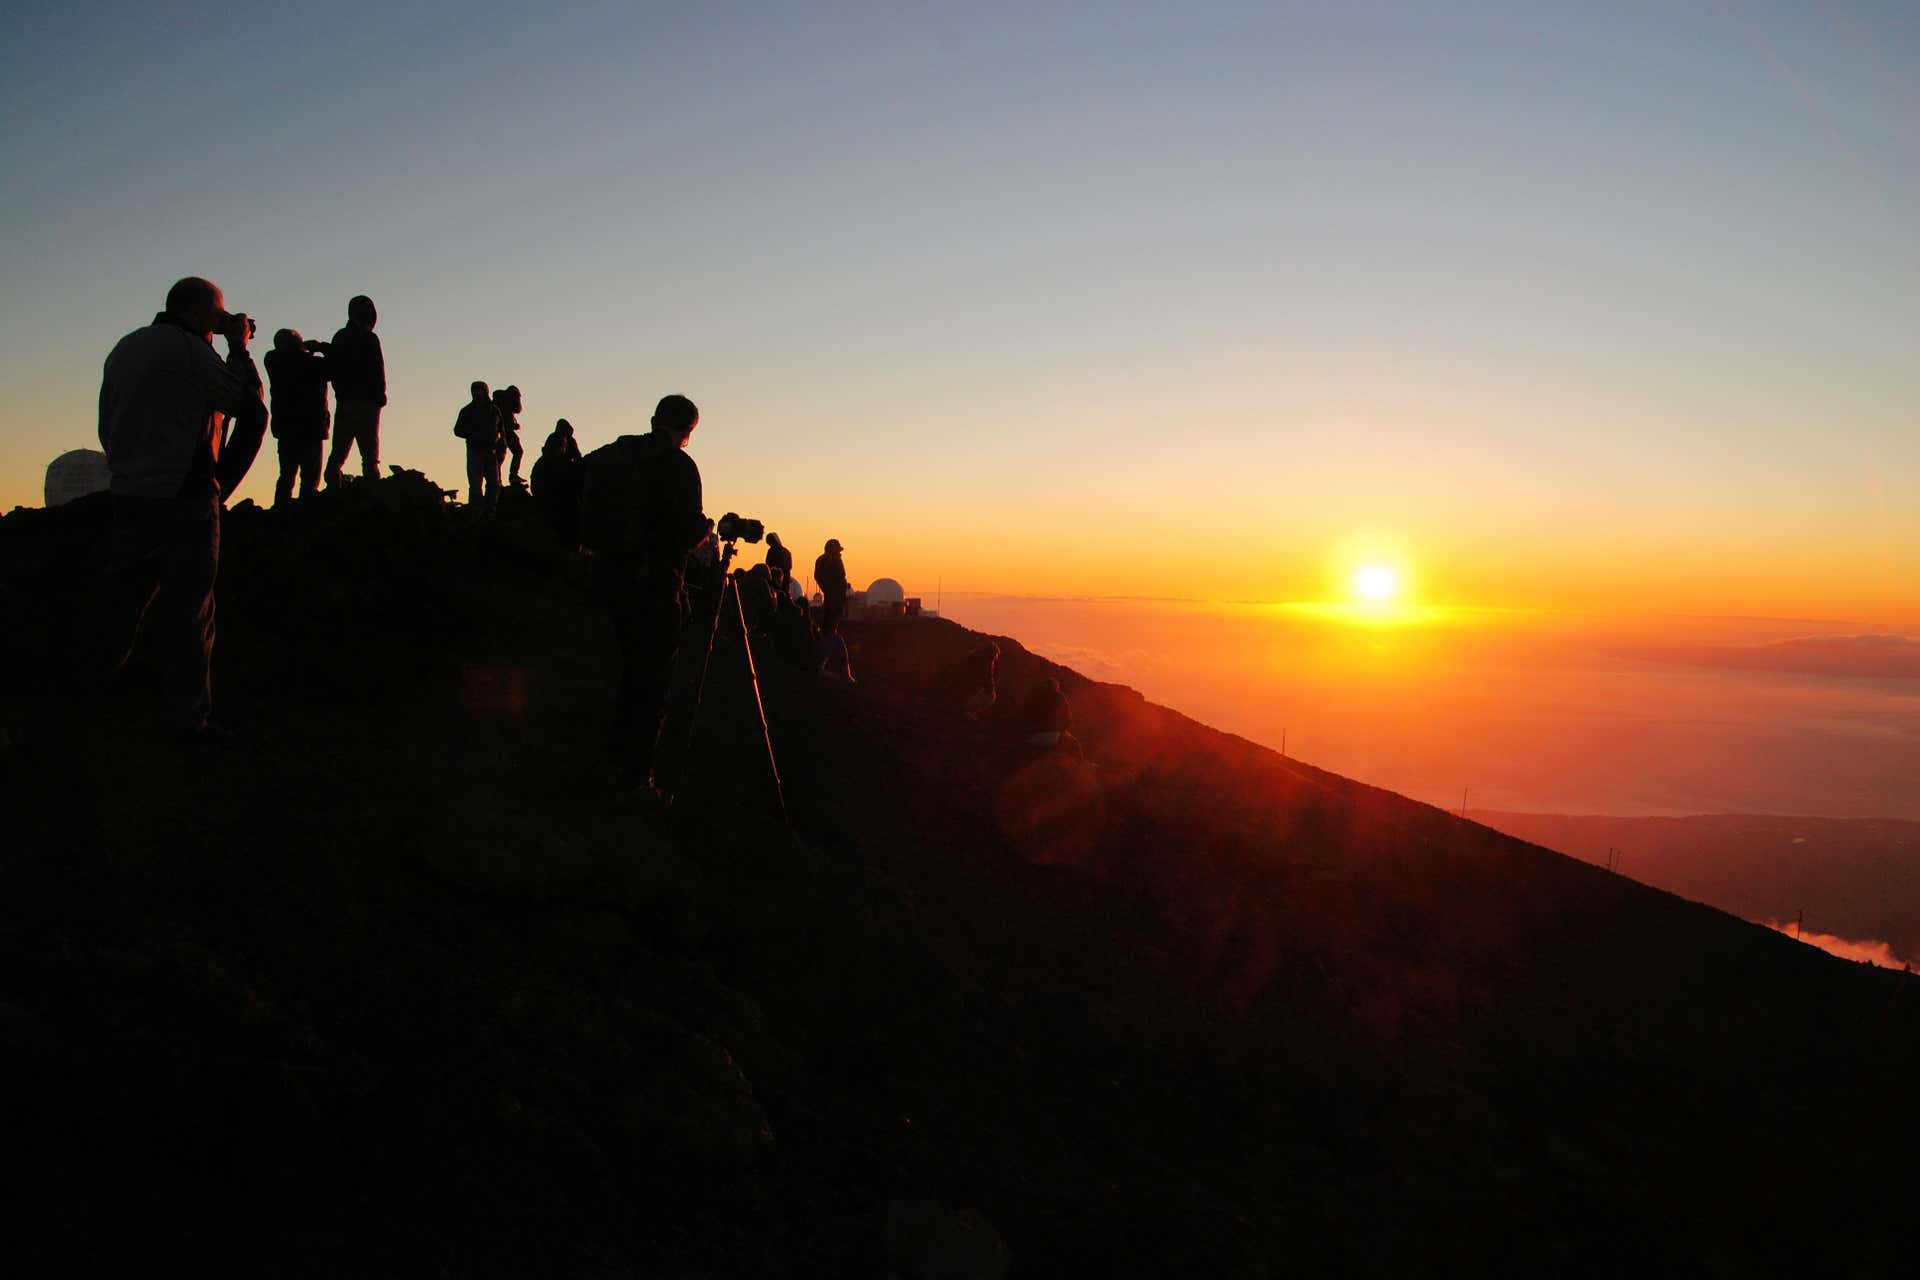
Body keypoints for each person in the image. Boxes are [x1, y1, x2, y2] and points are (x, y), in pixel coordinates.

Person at [90, 276, 267, 738]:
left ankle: (91, 700)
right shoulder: (191, 351)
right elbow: (246, 405)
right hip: (184, 499)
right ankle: (190, 724)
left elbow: (106, 423)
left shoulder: (125, 347)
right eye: (218, 316)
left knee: (120, 607)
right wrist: (239, 346)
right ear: (202, 314)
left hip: (128, 493)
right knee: (192, 612)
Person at [578, 394, 707, 797]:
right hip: (654, 586)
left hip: (603, 578)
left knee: (610, 672)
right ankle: (636, 778)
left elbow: (571, 492)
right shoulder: (679, 467)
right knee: (648, 683)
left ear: (654, 420)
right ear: (688, 431)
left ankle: (595, 763)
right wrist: (703, 528)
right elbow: (686, 532)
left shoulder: (609, 456)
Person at [324, 294, 385, 487]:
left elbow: (333, 367)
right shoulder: (370, 339)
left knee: (338, 452)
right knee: (370, 456)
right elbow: (377, 371)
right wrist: (379, 399)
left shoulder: (340, 337)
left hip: (345, 403)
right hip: (367, 405)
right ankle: (371, 496)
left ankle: (334, 488)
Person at [263, 328, 329, 503]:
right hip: (311, 429)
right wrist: (321, 348)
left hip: (285, 429)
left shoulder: (272, 361)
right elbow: (335, 367)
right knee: (310, 481)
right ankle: (304, 518)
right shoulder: (313, 364)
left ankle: (281, 514)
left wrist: (303, 349)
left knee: (286, 476)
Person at [530, 418, 585, 544]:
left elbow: (577, 459)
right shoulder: (554, 444)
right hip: (550, 489)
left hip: (554, 486)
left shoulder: (568, 443)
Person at [453, 381, 502, 512]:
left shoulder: (494, 410)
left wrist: (500, 448)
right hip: (475, 452)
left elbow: (501, 431)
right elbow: (457, 430)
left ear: (485, 392)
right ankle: (476, 512)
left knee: (494, 484)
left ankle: (490, 510)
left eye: (479, 391)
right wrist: (473, 435)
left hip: (491, 452)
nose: (476, 394)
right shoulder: (467, 411)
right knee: (475, 485)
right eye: (474, 391)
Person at [493, 384, 525, 487]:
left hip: (502, 433)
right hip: (503, 433)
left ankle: (500, 481)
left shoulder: (499, 401)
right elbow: (517, 410)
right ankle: (510, 477)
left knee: (500, 459)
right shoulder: (506, 401)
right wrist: (513, 425)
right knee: (514, 453)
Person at [815, 538, 849, 632]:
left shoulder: (820, 560)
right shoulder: (835, 560)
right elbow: (841, 575)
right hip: (836, 594)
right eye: (837, 550)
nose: (839, 553)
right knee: (833, 617)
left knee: (829, 615)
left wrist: (825, 588)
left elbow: (817, 576)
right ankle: (831, 636)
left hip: (830, 593)